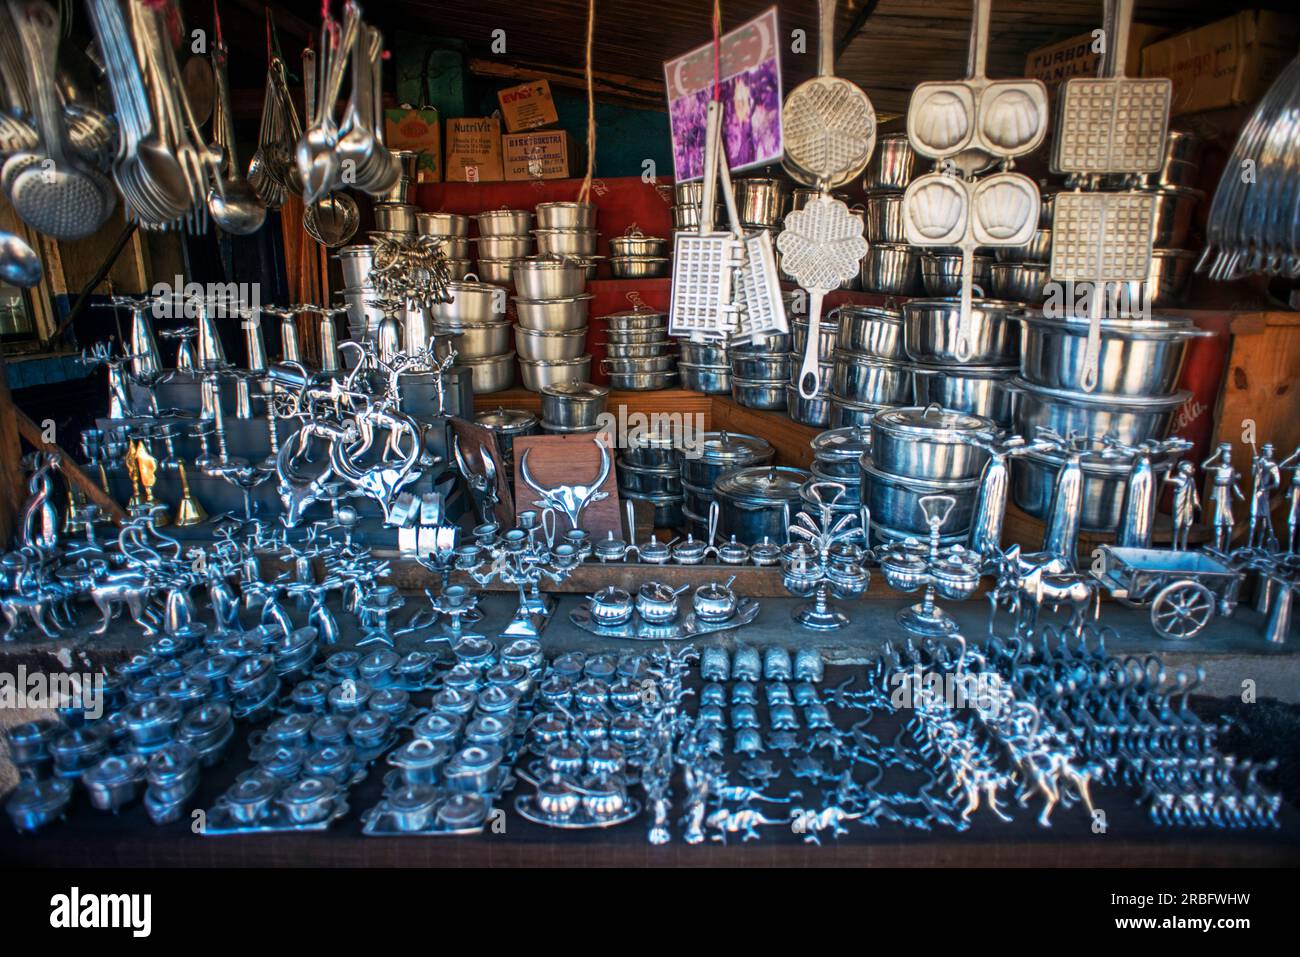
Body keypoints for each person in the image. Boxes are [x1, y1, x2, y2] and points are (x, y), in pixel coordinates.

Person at [1201, 443, 1244, 553]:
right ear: (1222, 457)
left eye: (1229, 456)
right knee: (1218, 524)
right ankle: (1217, 548)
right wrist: (1216, 454)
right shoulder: (1217, 467)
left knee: (1229, 525)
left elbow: (1233, 483)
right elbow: (1204, 466)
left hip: (1227, 499)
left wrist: (1239, 493)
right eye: (1226, 456)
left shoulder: (1231, 469)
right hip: (1219, 498)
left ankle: (1225, 550)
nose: (1228, 458)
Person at [1247, 443, 1282, 552]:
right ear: (1264, 451)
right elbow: (1253, 475)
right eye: (1268, 450)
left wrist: (1265, 488)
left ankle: (1259, 546)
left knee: (1264, 520)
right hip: (1255, 494)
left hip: (1264, 495)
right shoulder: (1259, 462)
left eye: (1271, 450)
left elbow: (1277, 483)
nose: (1270, 452)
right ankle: (1249, 545)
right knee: (1253, 519)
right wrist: (1254, 464)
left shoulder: (1272, 465)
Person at [1166, 460, 1201, 551]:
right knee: (1176, 524)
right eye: (1189, 468)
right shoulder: (1178, 479)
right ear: (1183, 469)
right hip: (1179, 503)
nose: (1192, 469)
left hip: (1188, 504)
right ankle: (1174, 546)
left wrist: (1196, 503)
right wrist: (1168, 469)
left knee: (1187, 524)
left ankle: (1183, 546)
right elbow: (1166, 480)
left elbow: (1194, 492)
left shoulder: (1191, 480)